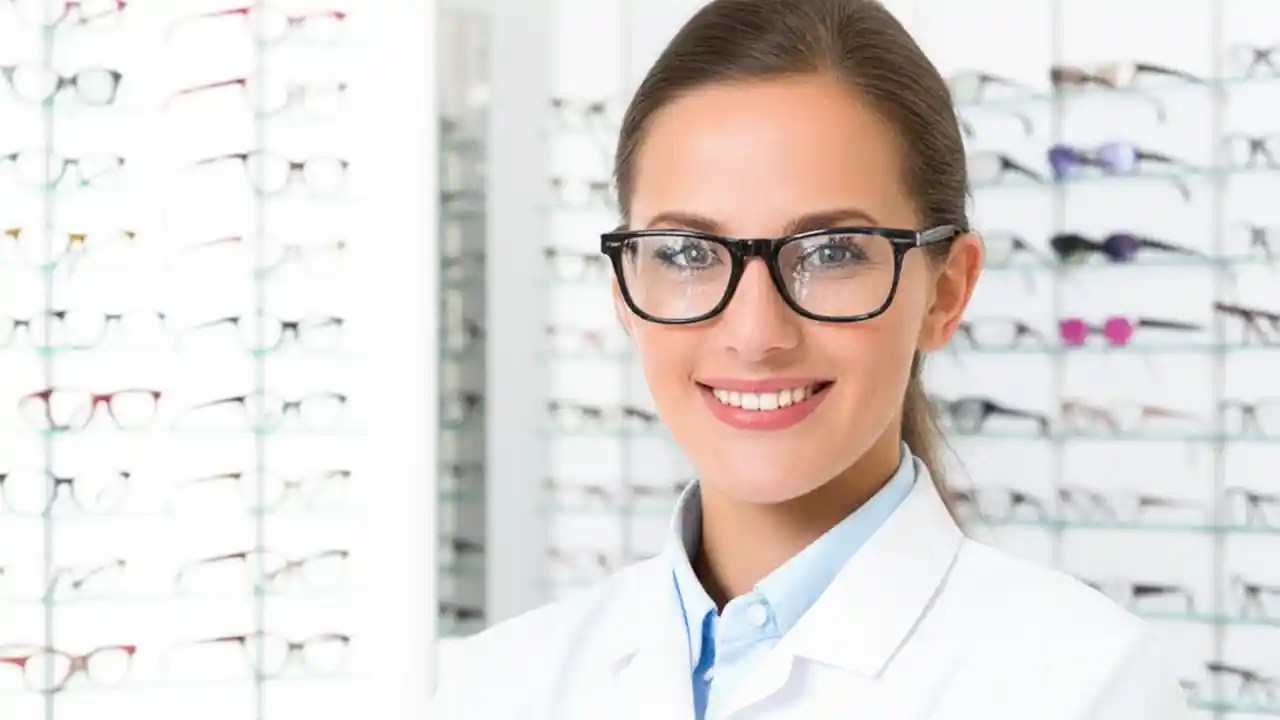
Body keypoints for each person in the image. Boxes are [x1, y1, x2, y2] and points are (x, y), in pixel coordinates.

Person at [430, 0, 1189, 717]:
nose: (755, 332)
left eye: (830, 253)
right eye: (688, 251)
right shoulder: (497, 686)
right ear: (624, 292)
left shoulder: (1085, 688)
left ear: (946, 291)